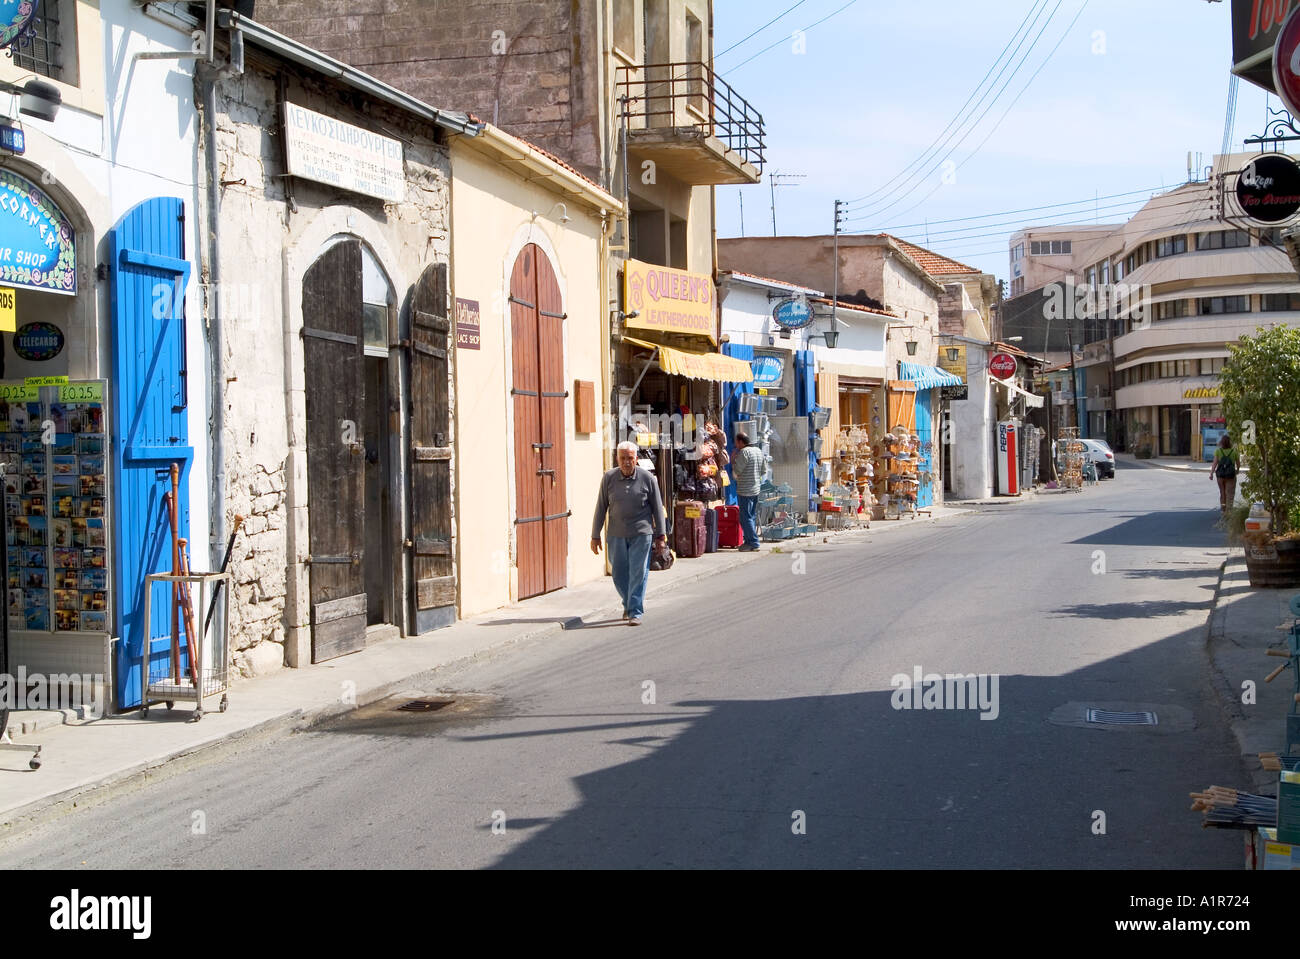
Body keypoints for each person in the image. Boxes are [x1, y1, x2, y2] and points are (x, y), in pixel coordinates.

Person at [591, 441, 666, 626]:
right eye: (622, 458)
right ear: (617, 459)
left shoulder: (648, 478)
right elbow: (601, 507)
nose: (626, 462)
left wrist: (661, 535)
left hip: (641, 533)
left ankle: (635, 611)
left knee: (638, 573)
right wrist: (595, 535)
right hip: (616, 534)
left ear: (636, 459)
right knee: (618, 573)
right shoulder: (608, 478)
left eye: (630, 458)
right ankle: (628, 603)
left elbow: (657, 508)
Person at [733, 431, 765, 552]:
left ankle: (753, 542)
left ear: (741, 442)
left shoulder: (744, 452)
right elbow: (763, 470)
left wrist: (733, 461)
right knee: (750, 516)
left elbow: (737, 471)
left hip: (745, 490)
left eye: (736, 442)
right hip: (755, 489)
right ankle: (749, 541)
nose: (735, 445)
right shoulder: (758, 451)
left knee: (745, 517)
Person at [1209, 432, 1239, 513]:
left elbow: (1215, 463)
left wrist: (1211, 473)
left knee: (1222, 493)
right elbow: (1238, 463)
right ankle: (1229, 511)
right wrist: (1237, 470)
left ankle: (1223, 510)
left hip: (1220, 475)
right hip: (1230, 475)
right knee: (1230, 494)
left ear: (1221, 442)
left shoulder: (1218, 451)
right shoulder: (1234, 451)